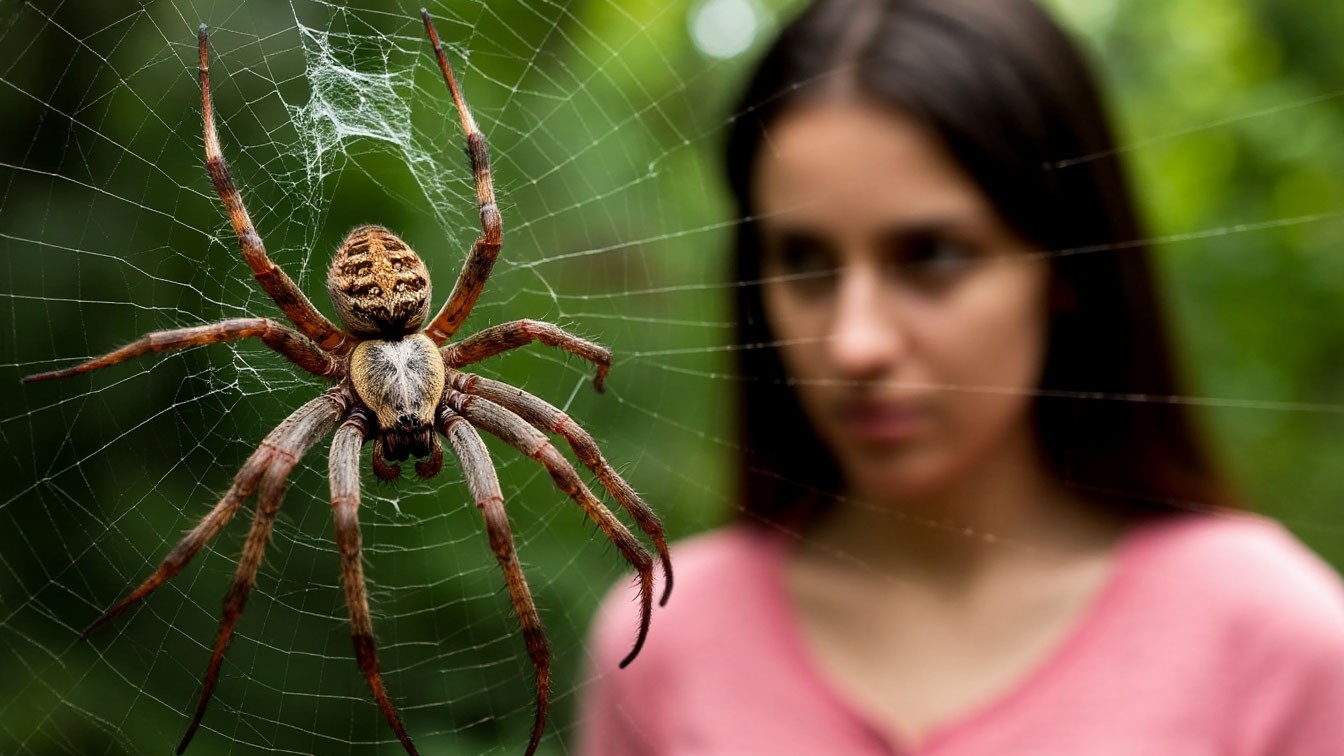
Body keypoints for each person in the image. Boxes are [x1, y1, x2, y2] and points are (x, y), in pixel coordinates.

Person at [578, 0, 1344, 753]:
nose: (857, 343)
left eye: (933, 257)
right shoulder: (663, 636)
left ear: (1064, 266)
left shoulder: (1280, 642)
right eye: (804, 261)